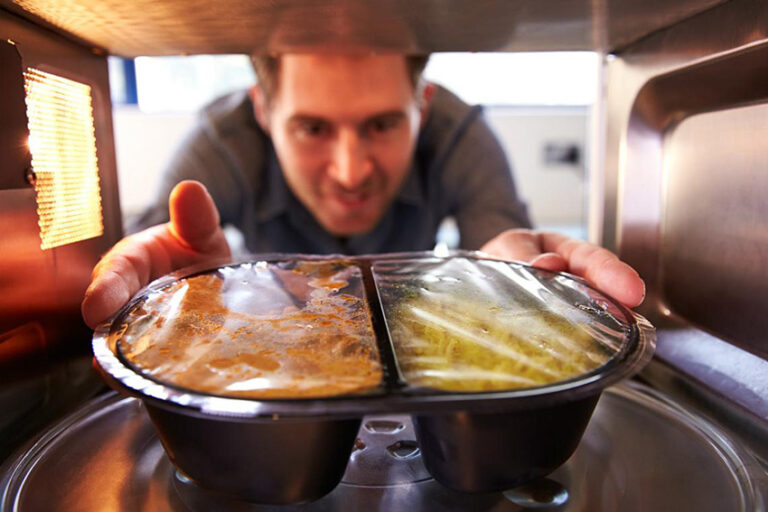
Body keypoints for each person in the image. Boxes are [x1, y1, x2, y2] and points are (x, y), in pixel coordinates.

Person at [81, 53, 644, 328]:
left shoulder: (458, 134)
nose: (350, 172)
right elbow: (152, 261)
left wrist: (513, 279)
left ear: (421, 107)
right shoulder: (220, 144)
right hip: (281, 338)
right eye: (312, 128)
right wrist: (174, 294)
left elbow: (502, 244)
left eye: (381, 124)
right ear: (263, 109)